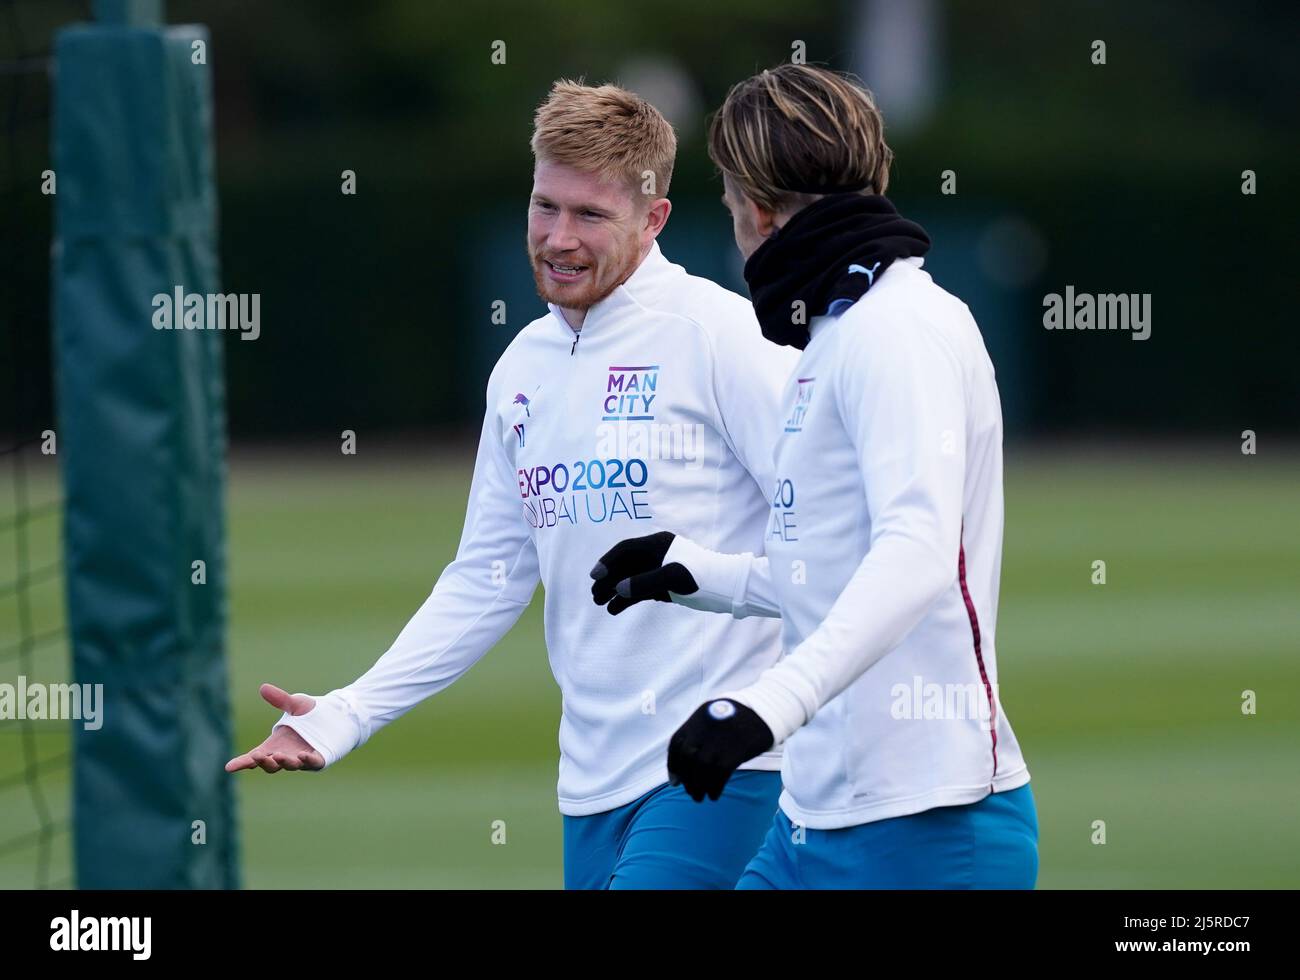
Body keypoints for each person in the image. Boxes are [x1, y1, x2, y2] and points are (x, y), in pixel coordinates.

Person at [226, 79, 798, 890]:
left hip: (726, 769)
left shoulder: (721, 336)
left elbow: (833, 538)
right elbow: (486, 582)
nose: (557, 238)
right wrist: (347, 715)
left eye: (590, 216)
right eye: (544, 207)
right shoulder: (521, 368)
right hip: (591, 788)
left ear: (654, 218)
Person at [591, 64, 1037, 889]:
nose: (735, 231)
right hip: (815, 823)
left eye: (729, 209)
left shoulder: (898, 329)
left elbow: (916, 554)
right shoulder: (837, 331)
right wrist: (697, 571)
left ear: (758, 211)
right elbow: (832, 565)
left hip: (926, 833)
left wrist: (767, 704)